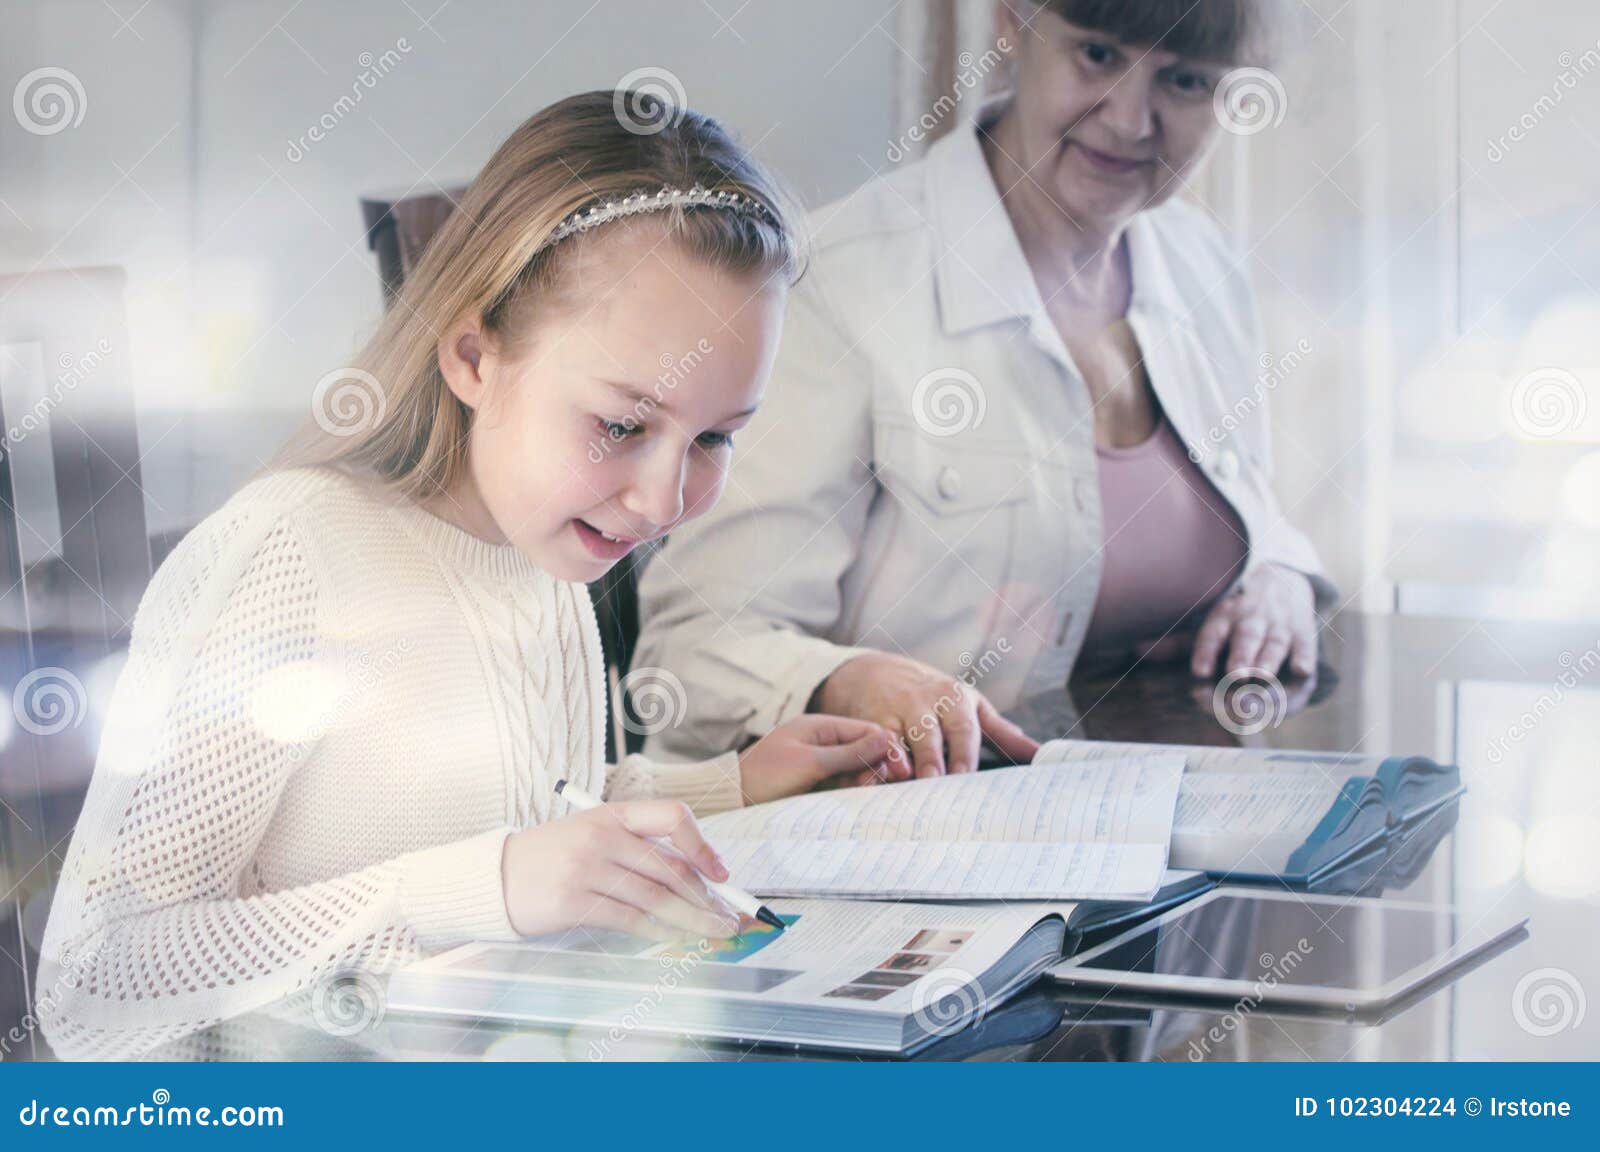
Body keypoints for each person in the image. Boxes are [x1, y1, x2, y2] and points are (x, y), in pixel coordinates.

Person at [37, 91, 900, 1061]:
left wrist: (734, 786)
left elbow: (530, 813)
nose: (663, 502)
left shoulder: (548, 544)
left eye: (714, 438)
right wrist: (479, 889)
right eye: (621, 425)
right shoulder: (289, 556)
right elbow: (94, 982)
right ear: (474, 358)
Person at [637, 0, 1334, 777]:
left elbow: (1248, 505)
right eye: (1098, 55)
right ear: (1014, 22)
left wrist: (1277, 576)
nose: (1132, 120)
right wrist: (851, 680)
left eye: (1185, 80)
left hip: (1153, 813)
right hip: (899, 841)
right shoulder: (837, 280)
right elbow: (694, 654)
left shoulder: (1206, 264)